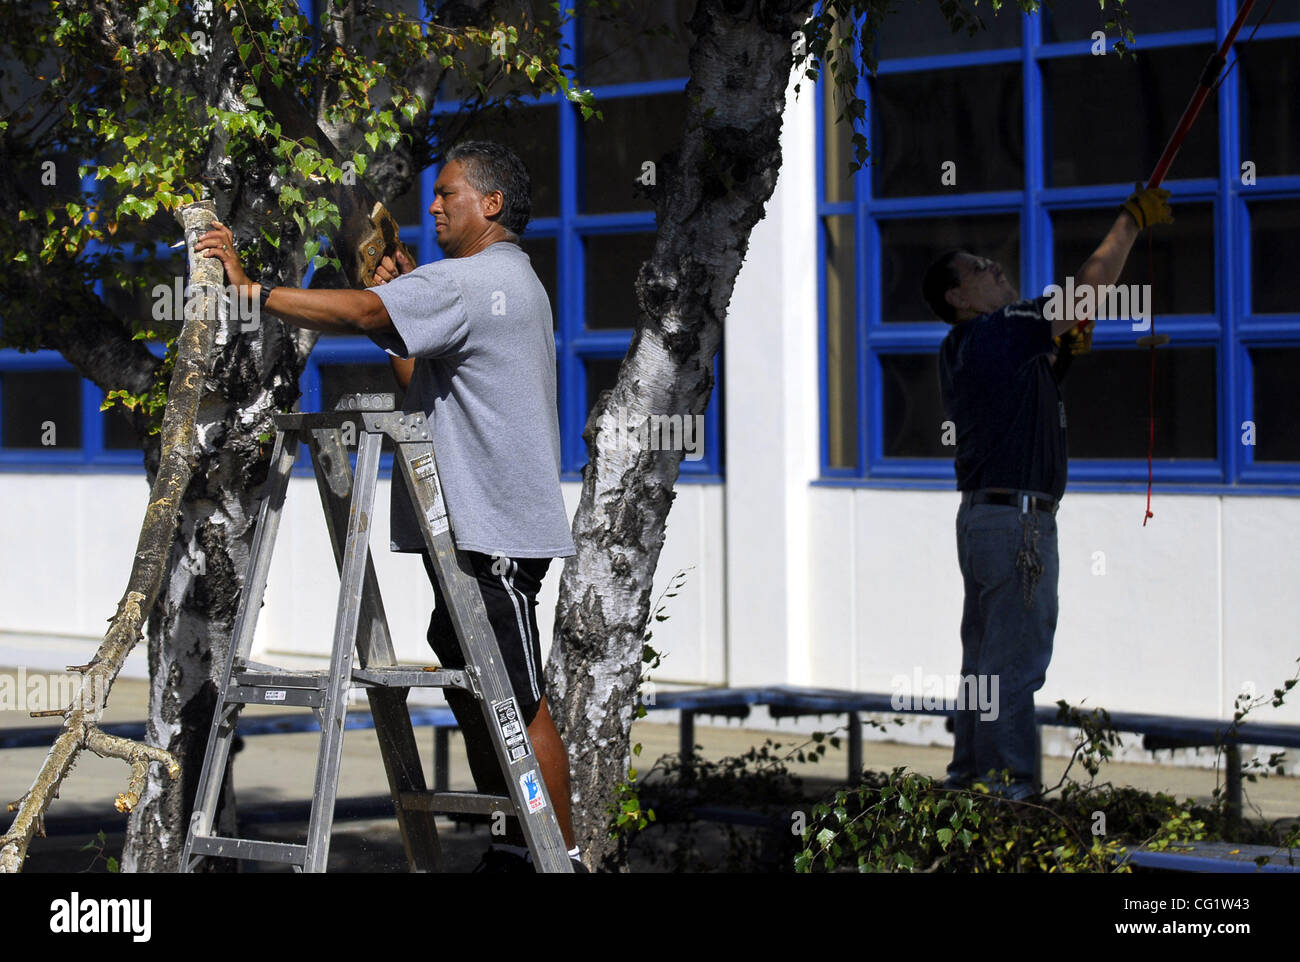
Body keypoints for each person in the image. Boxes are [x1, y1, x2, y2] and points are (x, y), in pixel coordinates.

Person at [197, 140, 582, 871]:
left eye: (450, 195)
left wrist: (254, 292)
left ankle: (558, 860)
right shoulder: (496, 283)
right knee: (482, 697)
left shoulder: (475, 280)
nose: (433, 207)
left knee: (516, 704)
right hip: (480, 529)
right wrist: (401, 302)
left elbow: (364, 310)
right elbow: (412, 365)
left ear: (491, 205)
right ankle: (515, 844)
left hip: (493, 530)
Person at [923, 185, 1172, 800]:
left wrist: (1057, 359)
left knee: (984, 663)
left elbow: (1019, 400)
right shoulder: (999, 331)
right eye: (979, 269)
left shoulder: (966, 349)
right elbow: (1086, 288)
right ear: (959, 299)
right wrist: (1129, 223)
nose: (996, 267)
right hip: (1019, 526)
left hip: (985, 521)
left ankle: (969, 785)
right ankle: (1009, 795)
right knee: (1014, 666)